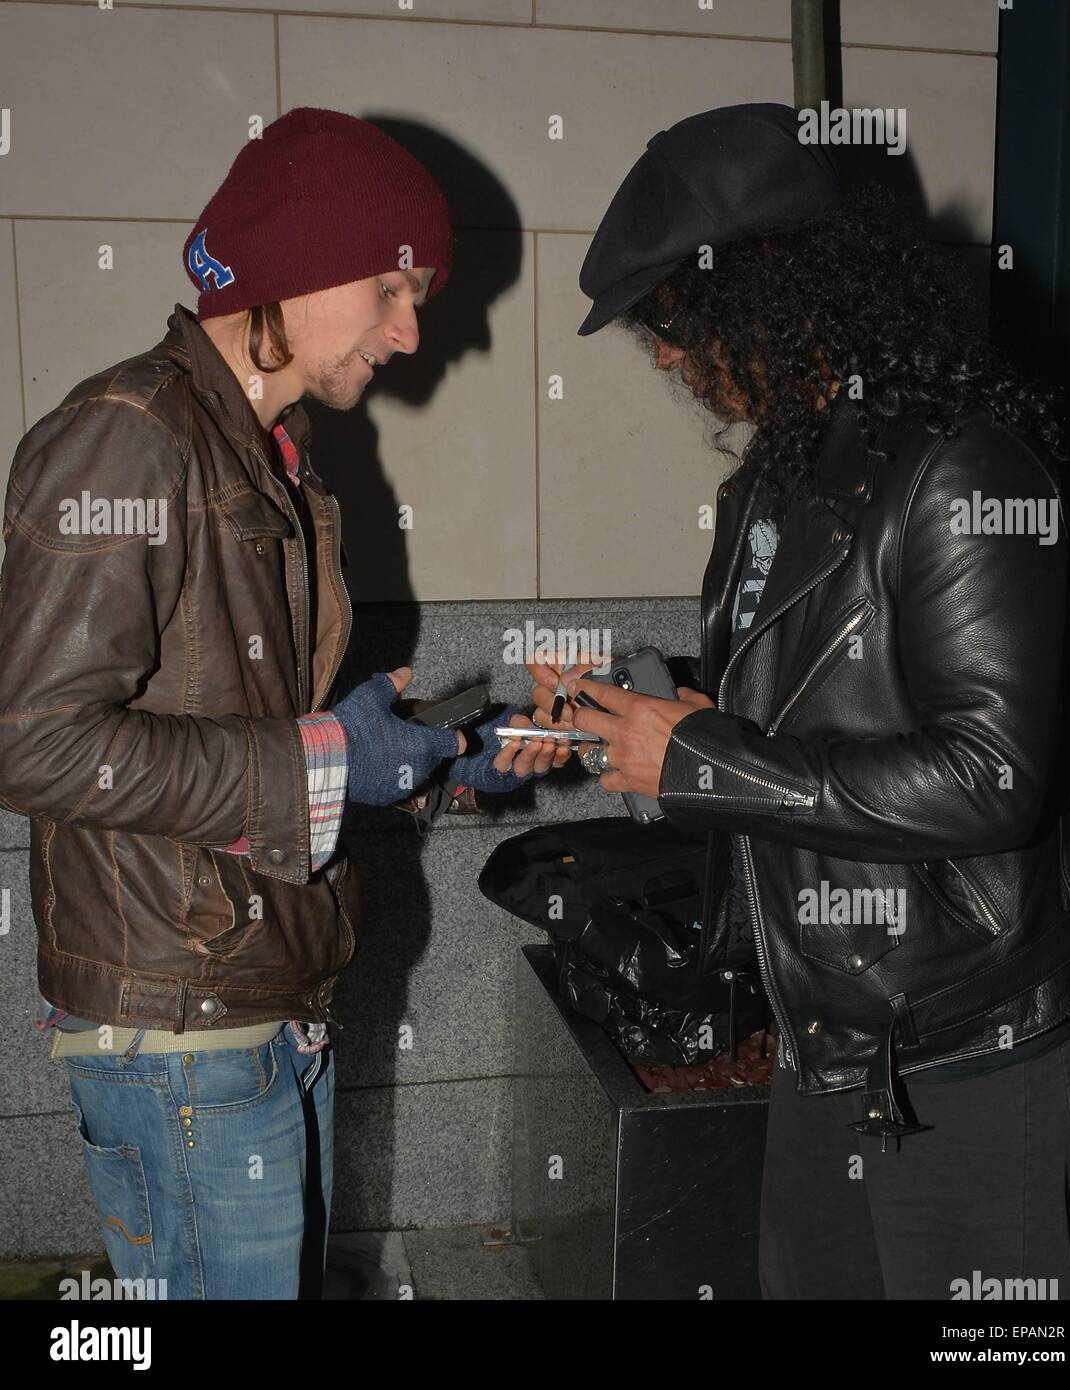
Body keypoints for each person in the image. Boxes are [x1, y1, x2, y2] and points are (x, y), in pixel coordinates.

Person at [529, 103, 1070, 1300]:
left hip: (962, 1038)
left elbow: (988, 777)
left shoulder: (964, 468)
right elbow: (788, 717)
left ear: (778, 295)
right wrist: (633, 722)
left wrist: (696, 761)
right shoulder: (778, 476)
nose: (671, 363)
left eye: (679, 329)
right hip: (831, 1027)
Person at [0, 107, 555, 1300]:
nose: (411, 333)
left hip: (259, 1001)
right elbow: (34, 740)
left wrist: (441, 756)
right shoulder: (128, 440)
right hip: (179, 1026)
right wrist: (318, 753)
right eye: (391, 287)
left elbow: (265, 733)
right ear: (296, 272)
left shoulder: (268, 458)